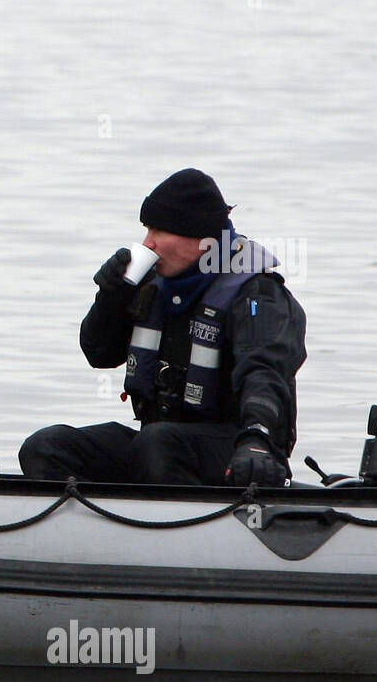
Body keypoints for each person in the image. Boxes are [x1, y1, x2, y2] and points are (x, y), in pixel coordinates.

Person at [18, 168, 306, 486]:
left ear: (203, 240)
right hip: (157, 443)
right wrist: (111, 298)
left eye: (159, 231)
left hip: (240, 451)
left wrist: (257, 441)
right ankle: (80, 529)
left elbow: (265, 375)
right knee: (46, 447)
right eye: (147, 229)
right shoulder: (153, 285)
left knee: (157, 444)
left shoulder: (258, 294)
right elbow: (99, 354)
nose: (148, 243)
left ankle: (180, 530)